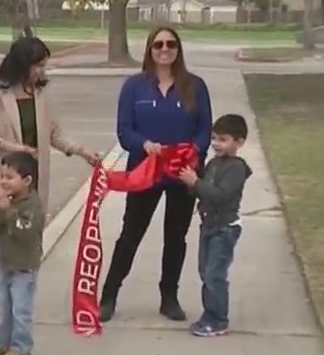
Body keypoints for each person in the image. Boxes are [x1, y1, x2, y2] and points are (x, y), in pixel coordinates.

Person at [0, 37, 99, 329]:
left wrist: (80, 150)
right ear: (22, 64)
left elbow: (53, 133)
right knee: (1, 248)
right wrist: (11, 146)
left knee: (26, 246)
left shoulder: (39, 94)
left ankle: (18, 311)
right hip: (4, 179)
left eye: (44, 65)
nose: (42, 71)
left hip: (32, 184)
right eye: (37, 65)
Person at [101, 27, 212, 323]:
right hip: (145, 171)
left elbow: (204, 130)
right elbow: (125, 130)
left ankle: (169, 297)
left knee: (175, 237)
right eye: (158, 44)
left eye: (171, 44)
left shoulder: (195, 86)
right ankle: (109, 295)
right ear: (150, 49)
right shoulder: (134, 87)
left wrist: (194, 152)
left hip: (182, 174)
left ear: (178, 49)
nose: (165, 49)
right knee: (130, 235)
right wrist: (143, 144)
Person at [176, 114, 252, 337]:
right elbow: (203, 190)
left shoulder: (236, 168)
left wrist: (196, 182)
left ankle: (218, 319)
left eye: (224, 139)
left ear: (238, 143)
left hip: (225, 228)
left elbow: (221, 195)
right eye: (215, 138)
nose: (217, 143)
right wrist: (191, 183)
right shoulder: (213, 163)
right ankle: (209, 314)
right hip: (208, 225)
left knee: (214, 274)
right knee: (204, 272)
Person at [0, 151, 46, 355]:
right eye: (2, 177)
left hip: (24, 267)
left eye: (9, 177)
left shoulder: (33, 205)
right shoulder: (4, 200)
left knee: (20, 310)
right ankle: (0, 343)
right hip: (3, 262)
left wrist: (8, 212)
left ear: (27, 181)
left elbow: (25, 231)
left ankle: (21, 346)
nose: (4, 182)